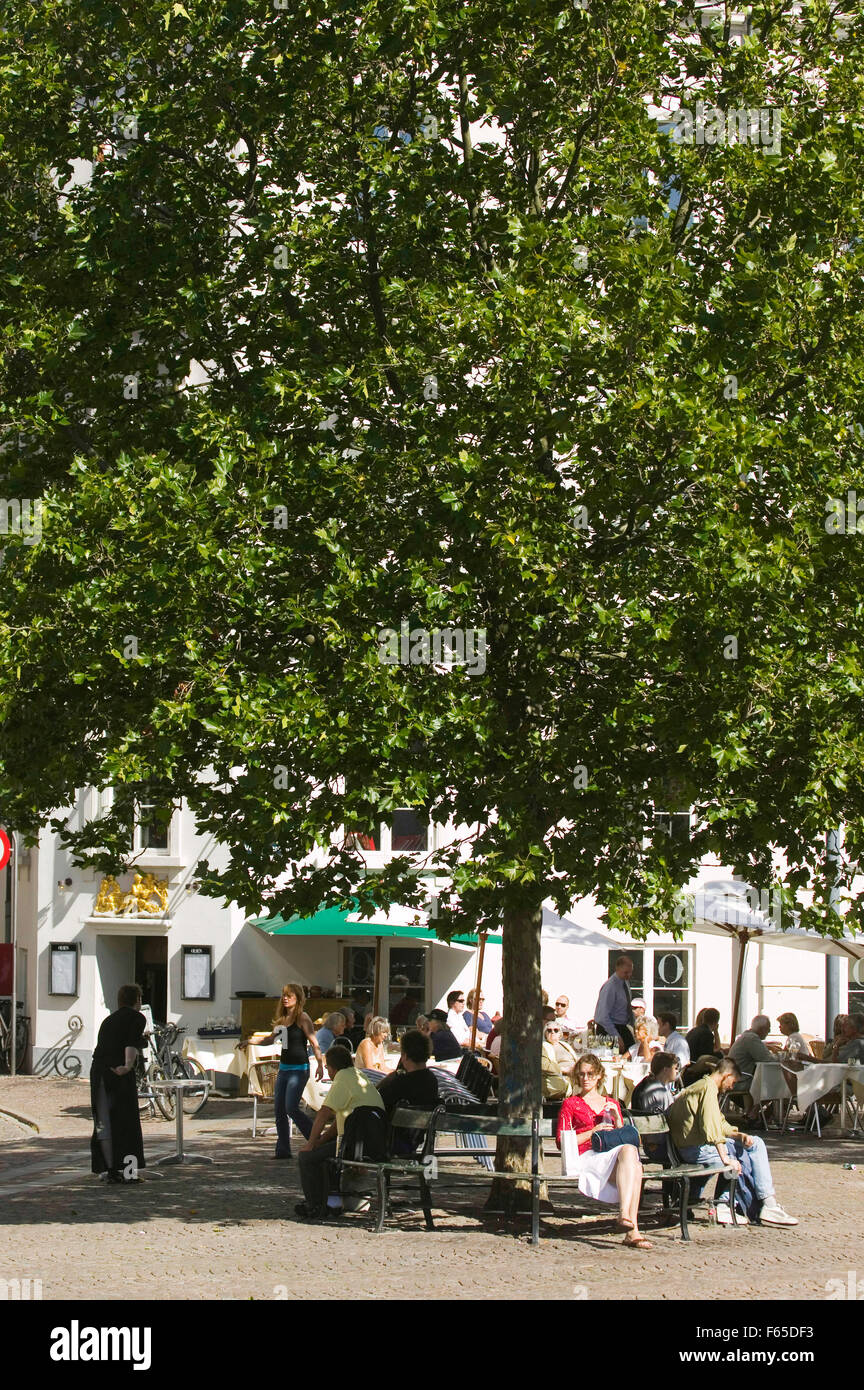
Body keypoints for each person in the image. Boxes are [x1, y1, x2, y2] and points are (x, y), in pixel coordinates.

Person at [666, 1057, 797, 1226]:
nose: (732, 1087)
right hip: (692, 1148)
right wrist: (725, 1158)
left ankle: (768, 1202)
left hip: (691, 1145)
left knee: (756, 1143)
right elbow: (711, 1127)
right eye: (733, 1082)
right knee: (737, 1158)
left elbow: (718, 1121)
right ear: (726, 1076)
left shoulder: (704, 1086)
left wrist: (737, 1135)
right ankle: (728, 1204)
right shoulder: (707, 1088)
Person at [556, 1054, 652, 1249]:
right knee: (635, 1165)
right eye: (582, 1074)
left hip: (611, 1153)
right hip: (586, 1155)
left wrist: (617, 1119)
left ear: (599, 1075)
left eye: (590, 1074)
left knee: (631, 1155)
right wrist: (592, 1132)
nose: (586, 1078)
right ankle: (631, 1229)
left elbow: (621, 1136)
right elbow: (562, 1141)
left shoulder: (611, 1103)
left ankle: (625, 1217)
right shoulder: (571, 1103)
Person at [295, 1046, 385, 1220]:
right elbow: (340, 1121)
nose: (328, 1071)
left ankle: (315, 1205)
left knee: (307, 1158)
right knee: (324, 1153)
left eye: (328, 1067)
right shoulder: (358, 1076)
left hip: (356, 1144)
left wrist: (311, 1143)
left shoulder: (342, 1078)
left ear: (333, 1068)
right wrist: (321, 1141)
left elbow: (324, 1113)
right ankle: (331, 1203)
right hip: (371, 1141)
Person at [240, 983, 324, 1159]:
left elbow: (314, 1043)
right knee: (279, 1110)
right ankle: (283, 1150)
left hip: (299, 1069)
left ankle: (316, 1139)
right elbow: (270, 1039)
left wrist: (320, 1064)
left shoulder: (302, 1017)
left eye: (290, 995)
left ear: (298, 999)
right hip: (284, 1068)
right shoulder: (283, 1020)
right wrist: (249, 1042)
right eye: (284, 995)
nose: (285, 998)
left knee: (291, 1107)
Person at [90, 983, 148, 1184]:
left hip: (99, 1071)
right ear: (137, 1000)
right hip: (117, 1072)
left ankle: (108, 1168)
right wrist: (127, 1066)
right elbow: (130, 1043)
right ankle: (129, 1172)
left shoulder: (109, 1020)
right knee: (127, 1121)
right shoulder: (137, 1018)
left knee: (103, 1121)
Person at [376, 1028, 440, 1121]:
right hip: (421, 1131)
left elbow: (377, 1100)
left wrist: (390, 1078)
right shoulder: (432, 1080)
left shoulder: (398, 1083)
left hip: (396, 1132)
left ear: (405, 1056)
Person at [593, 955, 636, 1052]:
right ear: (617, 968)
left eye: (630, 972)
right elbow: (602, 1017)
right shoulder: (610, 986)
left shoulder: (624, 982)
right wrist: (616, 1037)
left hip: (622, 1026)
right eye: (626, 972)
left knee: (632, 1052)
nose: (629, 975)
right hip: (608, 1029)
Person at [542, 1026, 570, 1098]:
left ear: (560, 1034)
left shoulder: (565, 1045)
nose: (552, 1032)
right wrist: (563, 1070)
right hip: (560, 1076)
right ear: (545, 1033)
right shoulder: (544, 1046)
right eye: (549, 1030)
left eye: (556, 1030)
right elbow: (544, 1065)